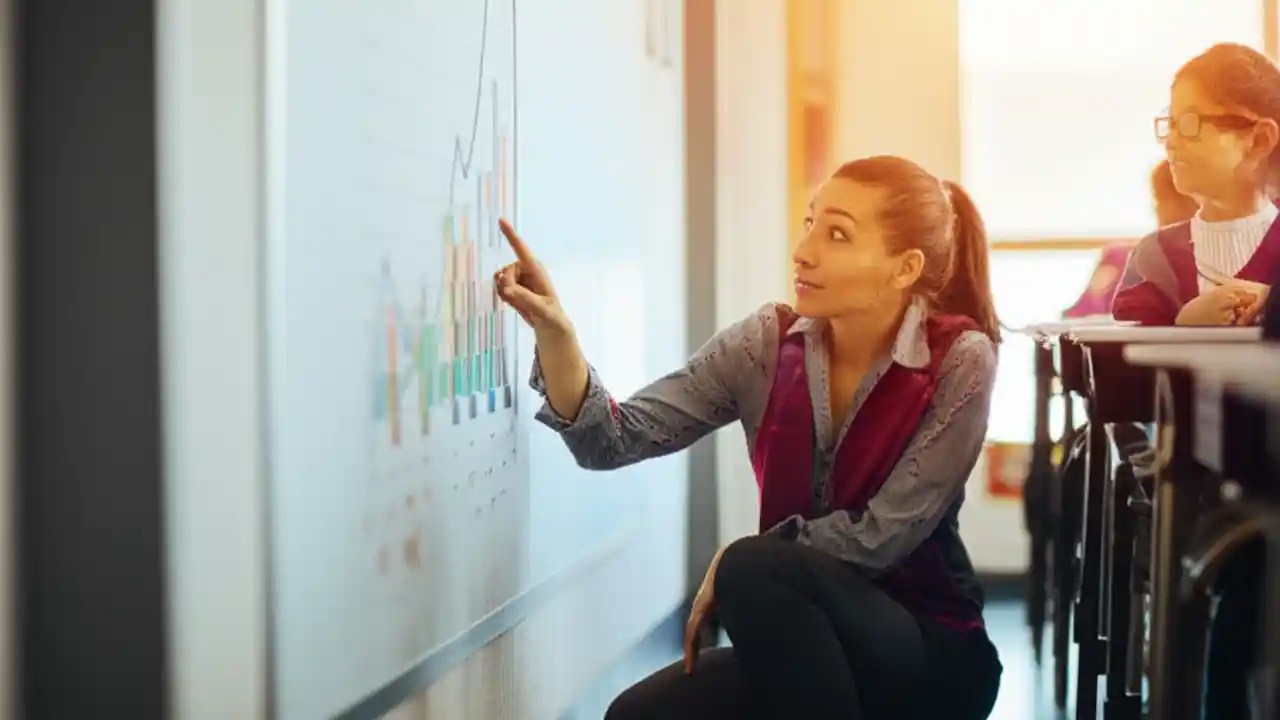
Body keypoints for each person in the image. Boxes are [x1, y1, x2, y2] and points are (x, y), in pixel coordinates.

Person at [494, 155, 1003, 720]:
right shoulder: (765, 344)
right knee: (636, 716)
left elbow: (884, 535)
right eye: (810, 223)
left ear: (904, 268)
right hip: (807, 650)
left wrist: (749, 556)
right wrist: (557, 334)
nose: (804, 249)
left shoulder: (959, 359)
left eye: (837, 234)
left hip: (928, 657)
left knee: (752, 567)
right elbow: (611, 440)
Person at [1113, 43, 1280, 327]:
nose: (1171, 141)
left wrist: (1274, 307)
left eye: (1190, 123)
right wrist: (1182, 324)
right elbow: (1127, 362)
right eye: (1172, 123)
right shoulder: (1155, 258)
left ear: (1260, 139)